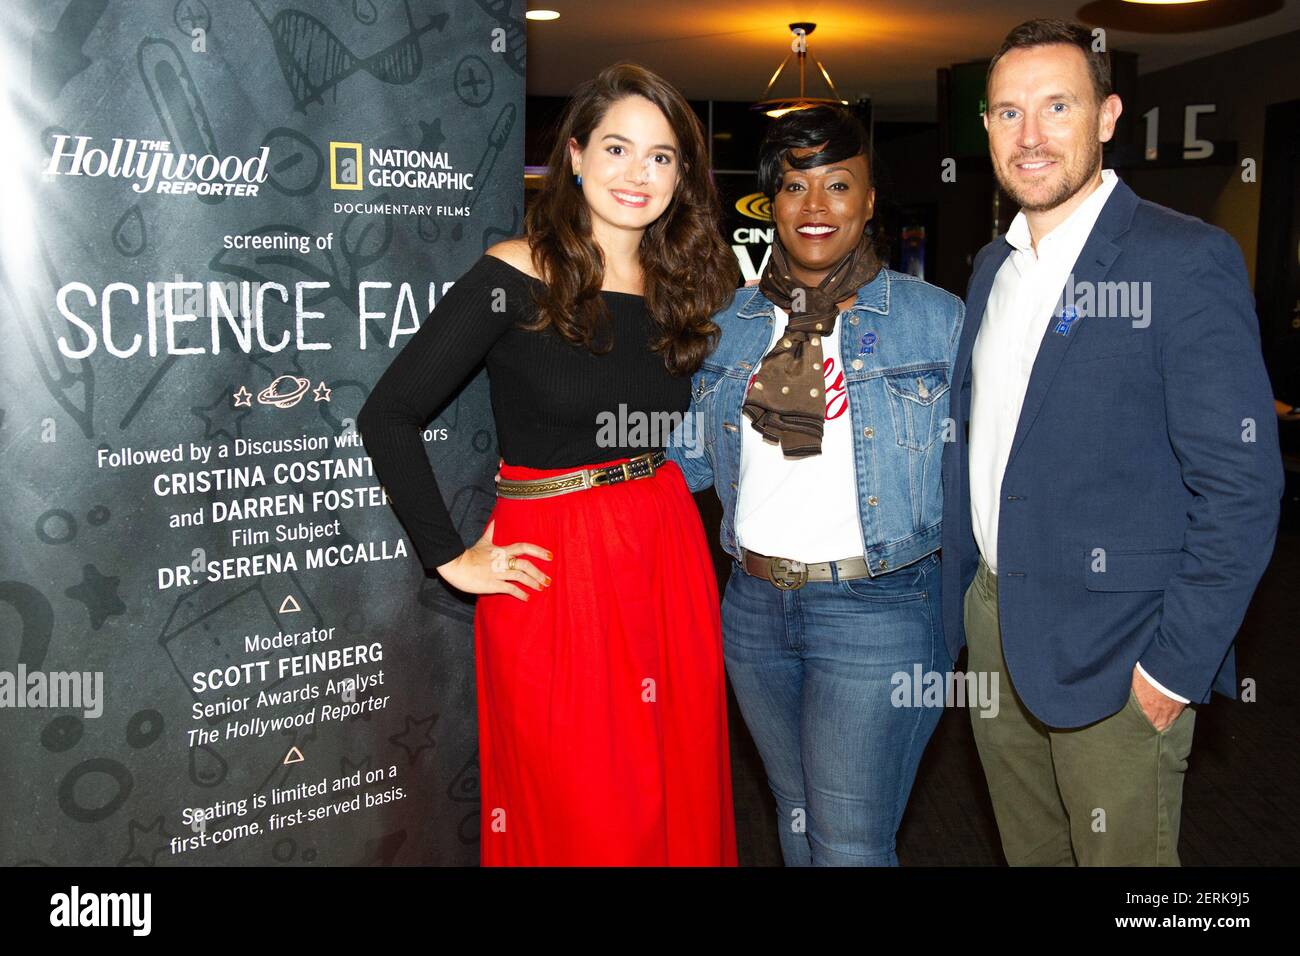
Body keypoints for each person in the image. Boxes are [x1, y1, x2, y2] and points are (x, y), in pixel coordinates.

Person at [357, 63, 740, 866]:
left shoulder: (685, 282)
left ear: (681, 175)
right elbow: (388, 415)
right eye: (617, 148)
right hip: (553, 564)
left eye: (662, 156)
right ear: (573, 155)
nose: (638, 174)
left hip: (664, 546)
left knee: (674, 784)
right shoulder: (516, 272)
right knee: (580, 804)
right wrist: (451, 556)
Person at [940, 18, 1284, 866]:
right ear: (985, 128)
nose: (1030, 136)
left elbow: (1240, 488)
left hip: (1120, 644)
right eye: (1007, 112)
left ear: (1106, 116)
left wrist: (1173, 669)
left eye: (1057, 106)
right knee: (1031, 854)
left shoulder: (1183, 259)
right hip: (994, 620)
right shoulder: (992, 267)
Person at [667, 105, 964, 865]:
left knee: (849, 844)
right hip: (754, 608)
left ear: (869, 201)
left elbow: (990, 467)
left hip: (881, 609)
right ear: (772, 205)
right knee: (796, 818)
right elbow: (685, 462)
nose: (816, 206)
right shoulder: (729, 323)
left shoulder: (935, 321)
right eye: (796, 186)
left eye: (838, 184)